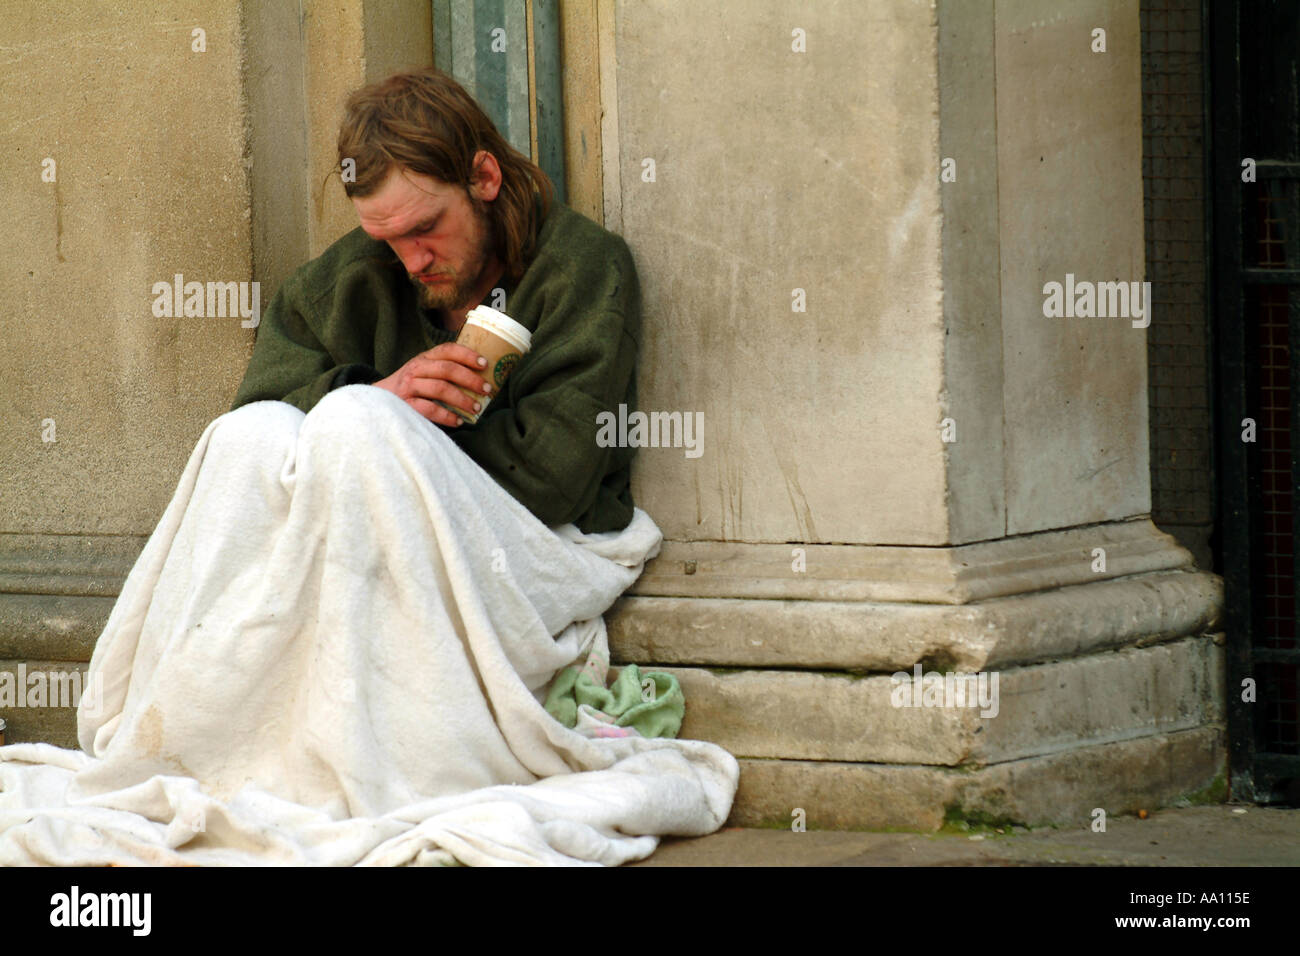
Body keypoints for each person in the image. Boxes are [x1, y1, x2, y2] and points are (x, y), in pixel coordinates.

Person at [230, 66, 640, 534]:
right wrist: (377, 399)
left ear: (484, 178)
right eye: (388, 238)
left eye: (425, 228)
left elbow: (551, 480)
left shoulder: (580, 268)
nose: (412, 261)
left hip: (517, 537)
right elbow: (249, 445)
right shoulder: (344, 283)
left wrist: (390, 434)